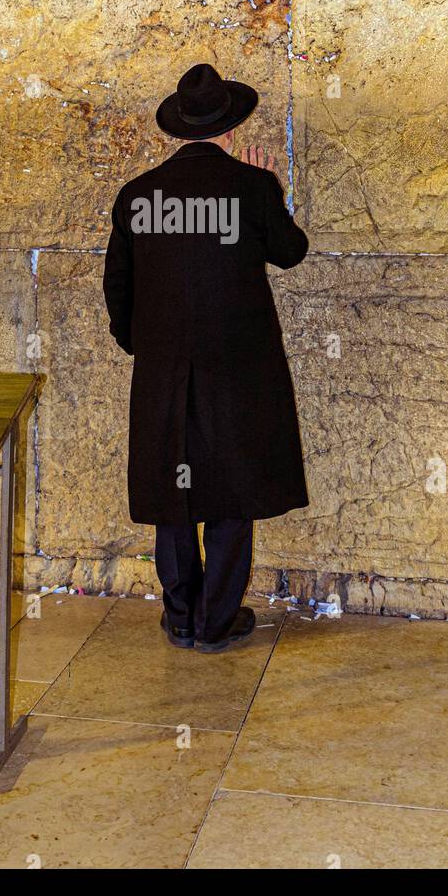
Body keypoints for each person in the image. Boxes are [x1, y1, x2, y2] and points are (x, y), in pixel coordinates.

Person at [102, 63, 309, 653]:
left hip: (165, 366)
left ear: (179, 128)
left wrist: (141, 343)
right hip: (239, 365)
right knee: (231, 486)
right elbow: (290, 253)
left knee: (173, 485)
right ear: (231, 124)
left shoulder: (138, 196)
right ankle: (218, 620)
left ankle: (182, 616)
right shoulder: (252, 187)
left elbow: (118, 283)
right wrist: (276, 194)